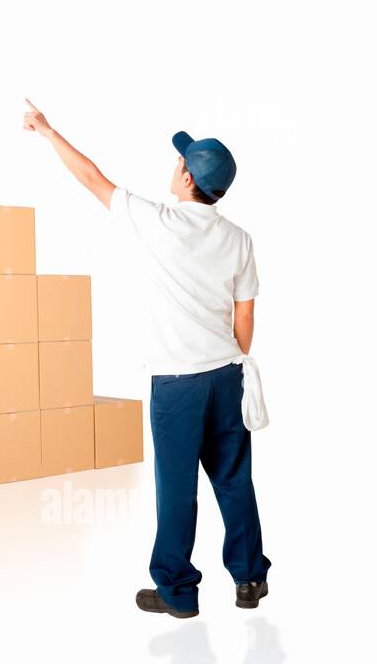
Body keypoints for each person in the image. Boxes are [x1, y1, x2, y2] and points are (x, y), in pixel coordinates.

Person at [22, 99, 269, 618]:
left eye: (180, 162)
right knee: (234, 479)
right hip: (227, 378)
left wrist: (47, 131)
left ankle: (178, 592)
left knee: (177, 489)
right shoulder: (240, 240)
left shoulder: (157, 222)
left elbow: (91, 177)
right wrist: (224, 354)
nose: (174, 166)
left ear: (186, 178)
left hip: (177, 386)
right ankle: (249, 581)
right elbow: (244, 321)